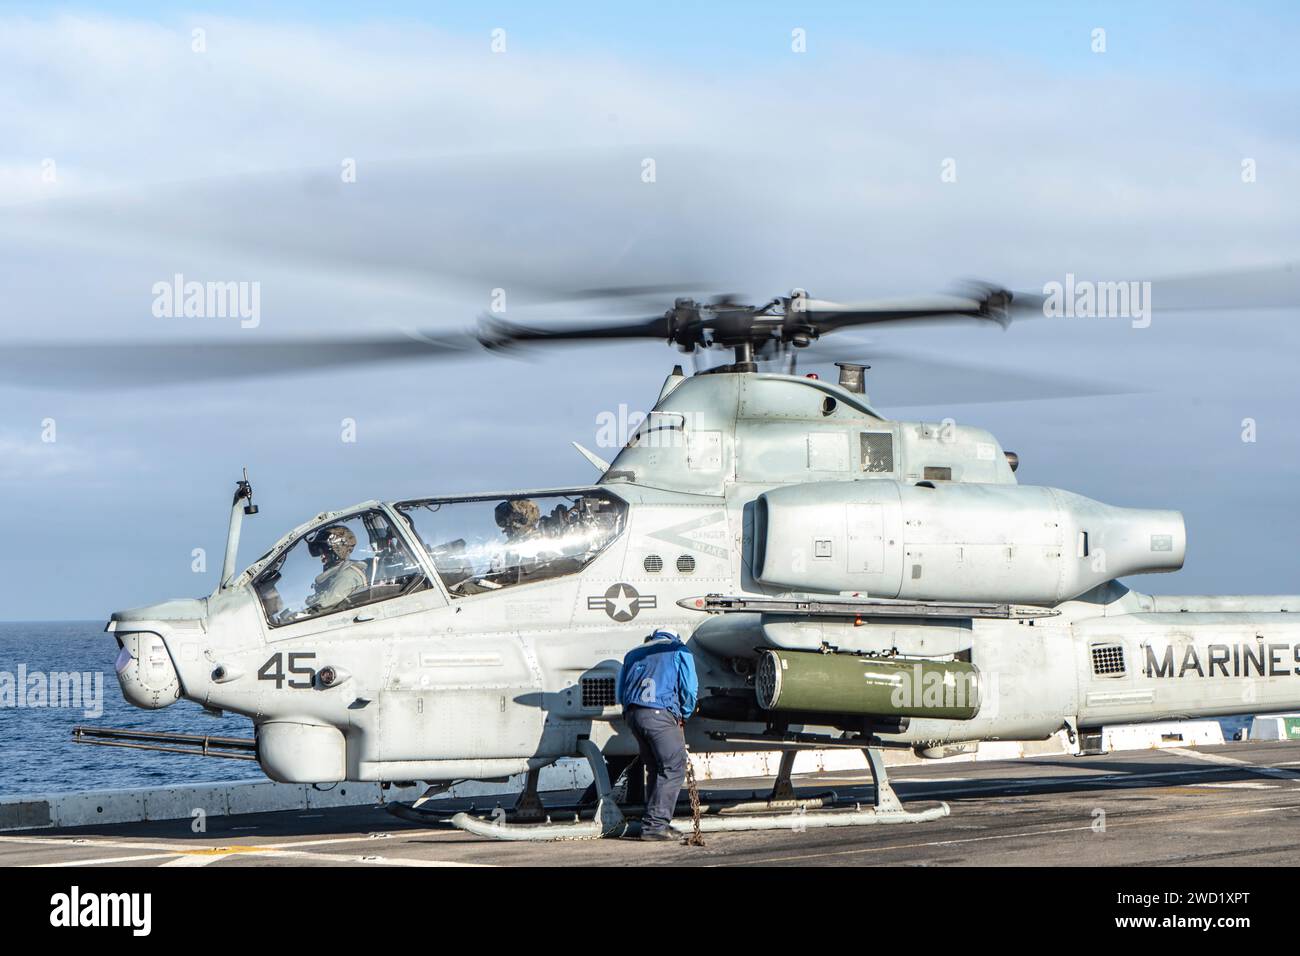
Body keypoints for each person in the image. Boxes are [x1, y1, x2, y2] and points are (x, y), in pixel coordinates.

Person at [616, 627, 699, 842]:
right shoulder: (678, 649)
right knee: (673, 767)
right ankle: (655, 826)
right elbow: (689, 688)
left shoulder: (633, 653)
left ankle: (654, 821)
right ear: (674, 637)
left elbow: (620, 692)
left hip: (634, 714)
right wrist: (685, 714)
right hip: (660, 713)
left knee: (655, 767)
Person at [304, 524, 368, 613]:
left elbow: (324, 605)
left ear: (339, 550)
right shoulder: (338, 574)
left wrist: (302, 614)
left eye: (325, 552)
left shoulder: (347, 576)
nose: (322, 557)